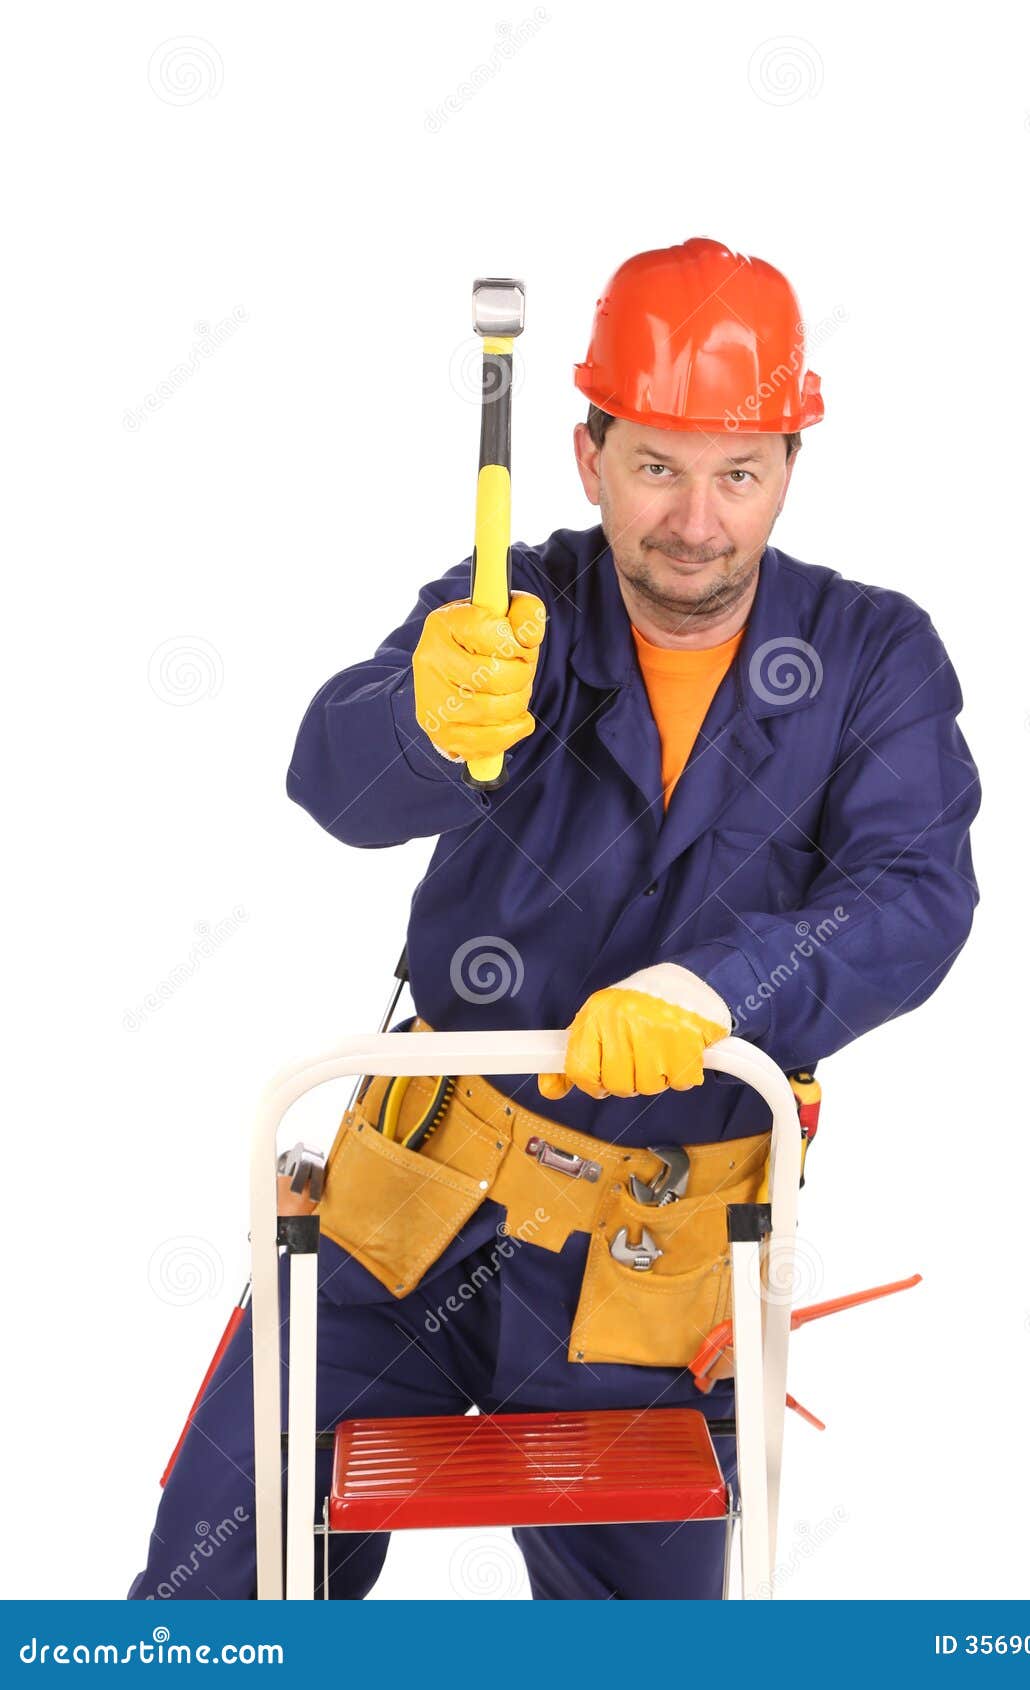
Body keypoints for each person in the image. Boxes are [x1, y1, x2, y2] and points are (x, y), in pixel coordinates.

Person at [129, 235, 980, 1600]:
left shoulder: (871, 656)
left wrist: (713, 997)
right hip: (399, 1220)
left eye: (736, 472)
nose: (695, 519)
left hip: (650, 1269)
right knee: (207, 1603)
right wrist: (418, 715)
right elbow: (330, 777)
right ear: (588, 458)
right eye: (655, 466)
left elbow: (914, 892)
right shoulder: (505, 613)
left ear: (787, 467)